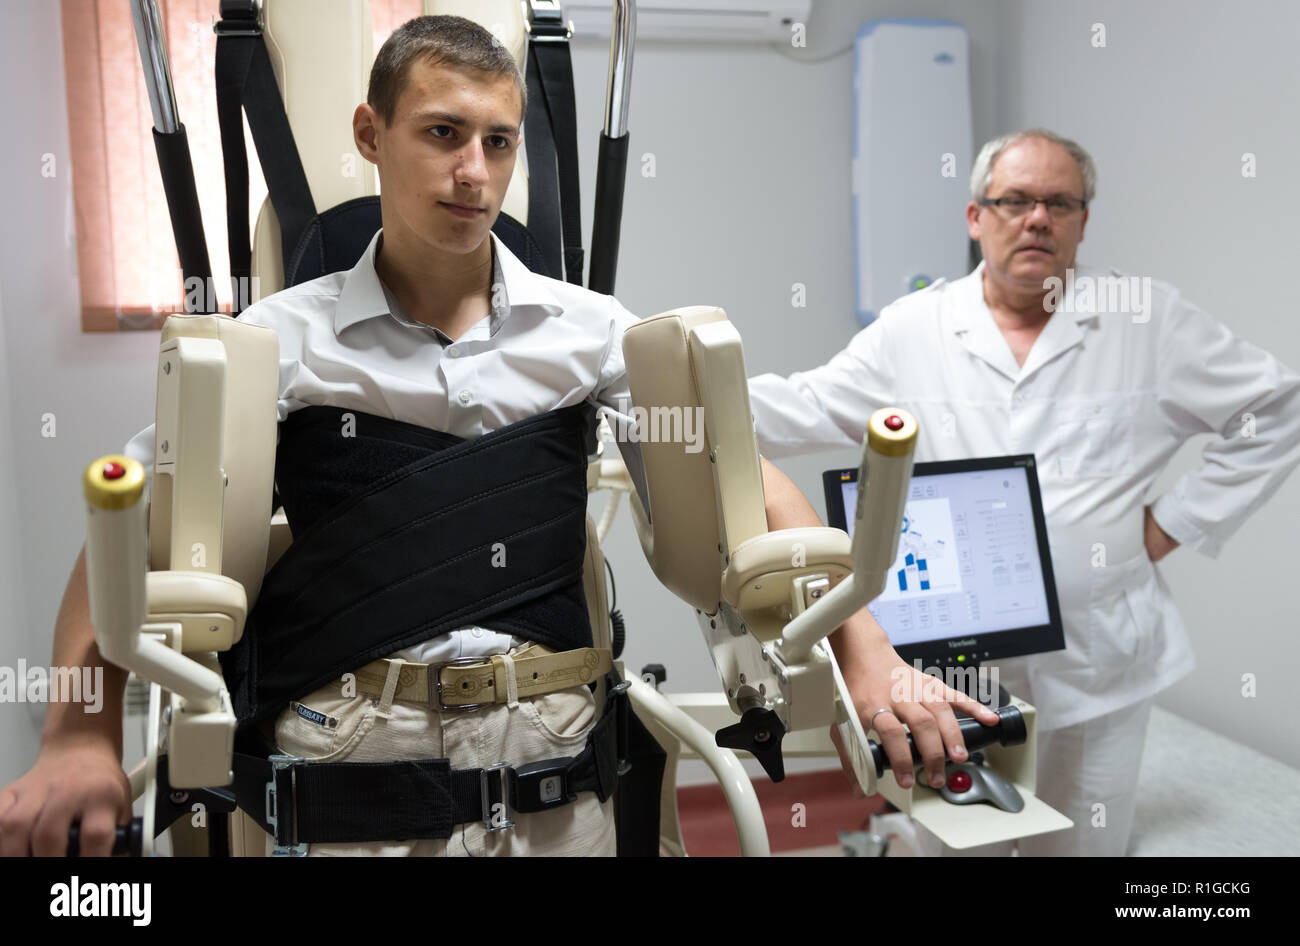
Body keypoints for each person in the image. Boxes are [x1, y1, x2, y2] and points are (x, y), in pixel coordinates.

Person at [0, 15, 999, 858]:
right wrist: (78, 731)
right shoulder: (274, 343)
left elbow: (746, 488)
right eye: (441, 132)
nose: (472, 172)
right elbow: (128, 531)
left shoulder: (593, 331)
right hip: (352, 756)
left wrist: (867, 656)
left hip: (555, 761)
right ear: (370, 133)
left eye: (497, 141)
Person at [747, 128, 1300, 856]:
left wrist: (1172, 523)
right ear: (976, 217)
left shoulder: (1146, 320)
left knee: (1083, 846)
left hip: (1101, 660)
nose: (1036, 218)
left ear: (1082, 221)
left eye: (1058, 202)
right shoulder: (914, 330)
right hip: (952, 660)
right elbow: (792, 406)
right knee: (952, 843)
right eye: (1014, 201)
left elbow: (1274, 406)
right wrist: (674, 394)